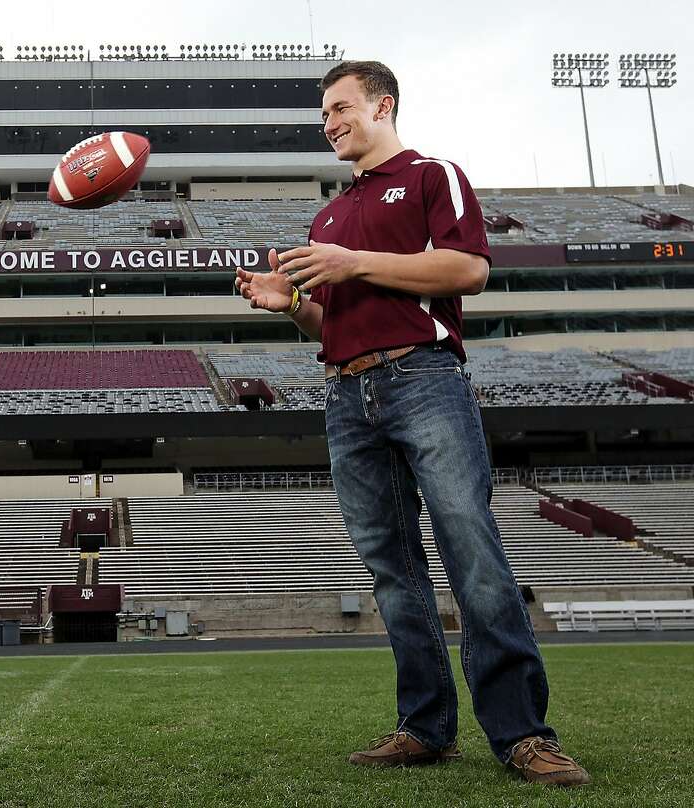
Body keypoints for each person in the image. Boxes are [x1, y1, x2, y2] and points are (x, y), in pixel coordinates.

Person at [235, 60, 589, 787]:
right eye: (323, 115)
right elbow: (333, 319)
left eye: (339, 108)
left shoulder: (432, 175)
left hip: (423, 379)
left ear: (382, 105)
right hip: (346, 393)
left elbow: (467, 271)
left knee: (473, 557)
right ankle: (425, 727)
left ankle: (523, 733)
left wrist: (353, 261)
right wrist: (291, 306)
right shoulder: (328, 215)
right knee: (393, 572)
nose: (329, 123)